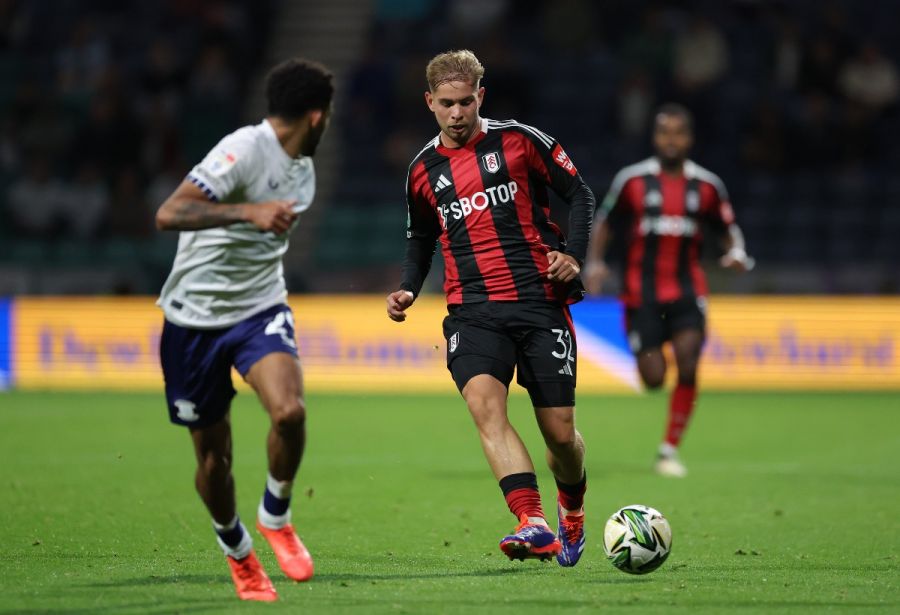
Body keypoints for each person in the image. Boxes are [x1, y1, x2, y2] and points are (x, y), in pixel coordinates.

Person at [386, 50, 594, 566]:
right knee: (485, 405)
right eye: (446, 104)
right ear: (429, 102)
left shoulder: (522, 141)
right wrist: (410, 287)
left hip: (539, 301)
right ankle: (533, 522)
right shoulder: (421, 170)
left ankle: (572, 511)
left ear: (481, 95)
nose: (457, 114)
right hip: (471, 309)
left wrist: (573, 256)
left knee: (561, 435)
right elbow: (421, 238)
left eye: (465, 102)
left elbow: (582, 196)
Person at [154, 58, 333, 602]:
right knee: (214, 460)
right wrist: (246, 212)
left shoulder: (302, 168)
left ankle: (275, 514)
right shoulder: (241, 150)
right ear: (315, 115)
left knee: (291, 411)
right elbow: (170, 213)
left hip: (258, 308)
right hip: (193, 320)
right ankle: (237, 549)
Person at [584, 103, 753, 478]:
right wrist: (595, 262)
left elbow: (728, 228)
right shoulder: (633, 180)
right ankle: (653, 351)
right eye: (665, 132)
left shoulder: (707, 185)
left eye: (679, 132)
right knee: (654, 377)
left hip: (687, 289)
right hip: (640, 293)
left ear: (690, 138)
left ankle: (668, 449)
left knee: (689, 361)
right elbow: (605, 222)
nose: (671, 139)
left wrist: (736, 252)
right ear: (655, 137)